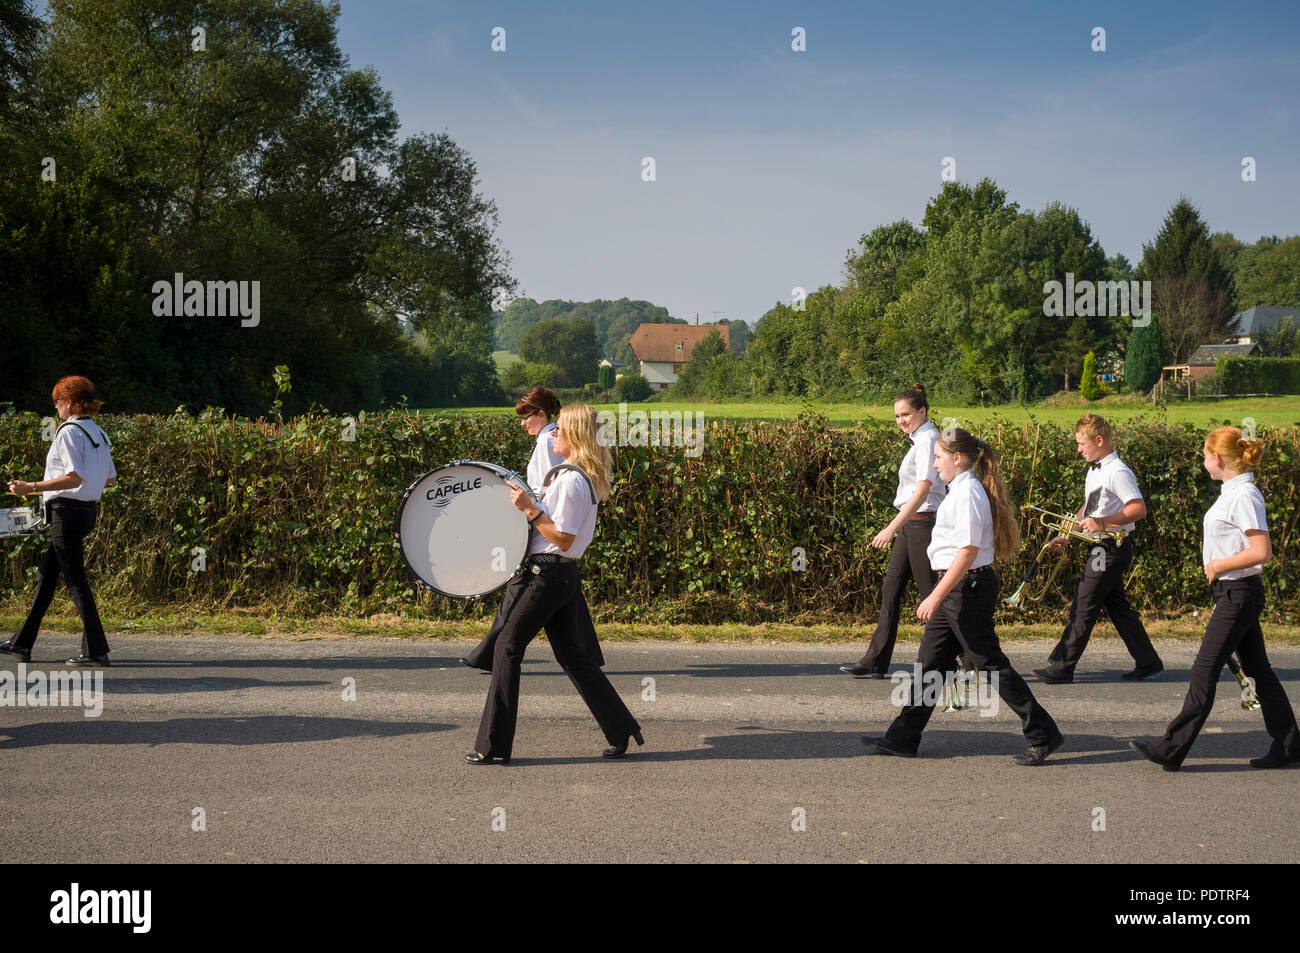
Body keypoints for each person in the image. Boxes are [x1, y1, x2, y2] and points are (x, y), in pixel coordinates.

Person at [863, 427, 1064, 765]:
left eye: (939, 457)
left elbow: (968, 551)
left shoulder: (968, 492)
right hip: (957, 589)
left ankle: (1043, 732)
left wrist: (934, 595)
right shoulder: (958, 488)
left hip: (965, 589)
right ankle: (903, 738)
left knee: (991, 666)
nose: (935, 464)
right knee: (930, 664)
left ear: (957, 459)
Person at [466, 404, 642, 764]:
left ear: (574, 436)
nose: (554, 435)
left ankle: (494, 745)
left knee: (507, 647)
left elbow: (562, 538)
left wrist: (530, 509)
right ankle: (621, 729)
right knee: (573, 657)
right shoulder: (573, 476)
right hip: (558, 575)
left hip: (548, 574)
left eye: (559, 430)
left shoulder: (571, 480)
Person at [1130, 427, 1300, 771]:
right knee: (1258, 672)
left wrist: (1219, 565)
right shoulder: (1231, 492)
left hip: (1240, 594)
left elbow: (1261, 551)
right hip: (1234, 593)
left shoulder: (1244, 495)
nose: (1204, 463)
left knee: (1204, 670)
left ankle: (1171, 747)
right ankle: (1289, 745)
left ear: (1218, 459)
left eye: (1205, 456)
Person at [459, 385, 604, 672]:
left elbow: (556, 485)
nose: (523, 423)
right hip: (548, 532)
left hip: (545, 529)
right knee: (562, 589)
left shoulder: (550, 442)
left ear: (541, 413)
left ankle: (491, 653)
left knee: (526, 588)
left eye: (526, 417)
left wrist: (529, 508)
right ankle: (585, 656)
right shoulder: (549, 438)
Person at [1033, 414, 1163, 684]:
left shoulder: (1117, 471)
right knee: (1118, 608)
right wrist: (1067, 534)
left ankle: (1062, 666)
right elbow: (1090, 509)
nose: (1079, 449)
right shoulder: (1097, 470)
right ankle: (1148, 661)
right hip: (1102, 547)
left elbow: (1138, 509)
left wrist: (1102, 522)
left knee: (1084, 603)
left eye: (1082, 444)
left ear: (1099, 441)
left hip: (1109, 549)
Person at [1, 376, 117, 666]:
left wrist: (31, 487)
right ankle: (22, 643)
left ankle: (96, 651)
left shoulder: (68, 432)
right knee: (47, 578)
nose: (55, 407)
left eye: (57, 401)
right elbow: (110, 477)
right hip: (86, 512)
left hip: (65, 514)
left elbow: (73, 476)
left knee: (76, 582)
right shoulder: (99, 434)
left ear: (70, 402)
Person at [841, 383, 946, 678]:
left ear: (922, 412)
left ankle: (966, 660)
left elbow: (924, 490)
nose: (901, 420)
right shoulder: (918, 439)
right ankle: (875, 661)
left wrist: (890, 528)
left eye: (906, 414)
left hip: (922, 525)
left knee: (931, 597)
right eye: (897, 416)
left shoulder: (927, 441)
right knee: (891, 591)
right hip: (910, 526)